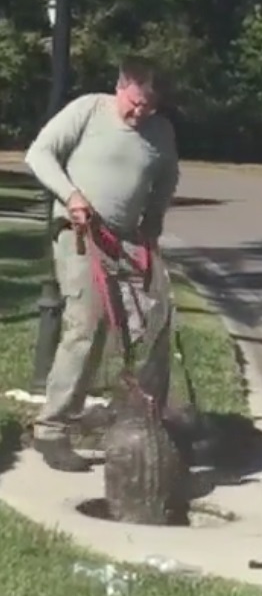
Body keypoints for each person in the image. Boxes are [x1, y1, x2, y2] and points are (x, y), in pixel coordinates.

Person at [23, 55, 180, 472]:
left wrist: (153, 222)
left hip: (126, 239)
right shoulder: (88, 110)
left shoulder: (160, 131)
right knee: (86, 325)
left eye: (149, 106)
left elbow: (167, 178)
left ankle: (136, 417)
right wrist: (72, 196)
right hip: (78, 231)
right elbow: (38, 154)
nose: (140, 112)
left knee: (145, 325)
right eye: (135, 102)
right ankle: (51, 429)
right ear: (120, 85)